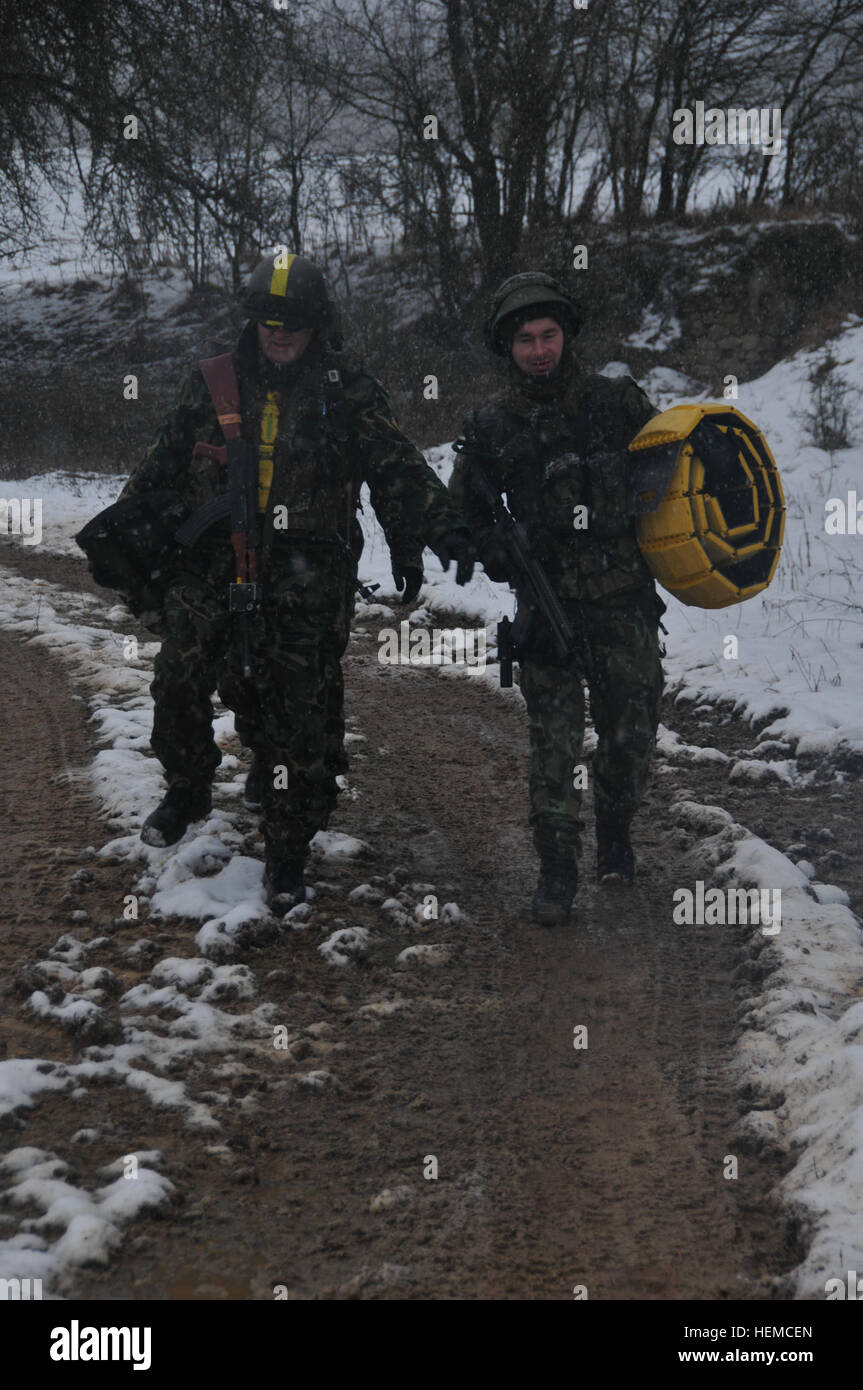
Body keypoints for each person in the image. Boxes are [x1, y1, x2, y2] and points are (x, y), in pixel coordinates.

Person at [113, 250, 474, 910]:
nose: (279, 334)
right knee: (181, 675)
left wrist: (432, 530)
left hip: (309, 565)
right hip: (215, 559)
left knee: (299, 710)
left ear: (318, 324)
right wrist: (129, 536)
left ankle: (286, 847)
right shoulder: (214, 382)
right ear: (250, 320)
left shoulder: (347, 388)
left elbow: (396, 468)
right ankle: (190, 784)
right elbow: (162, 460)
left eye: (294, 322)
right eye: (267, 320)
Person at [448, 271, 666, 925]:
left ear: (566, 336)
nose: (538, 350)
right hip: (546, 610)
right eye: (524, 340)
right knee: (554, 748)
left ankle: (616, 832)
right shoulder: (490, 426)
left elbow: (669, 471)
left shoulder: (615, 402)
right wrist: (488, 548)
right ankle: (556, 872)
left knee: (630, 738)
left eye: (547, 336)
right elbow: (461, 513)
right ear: (506, 347)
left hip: (623, 600)